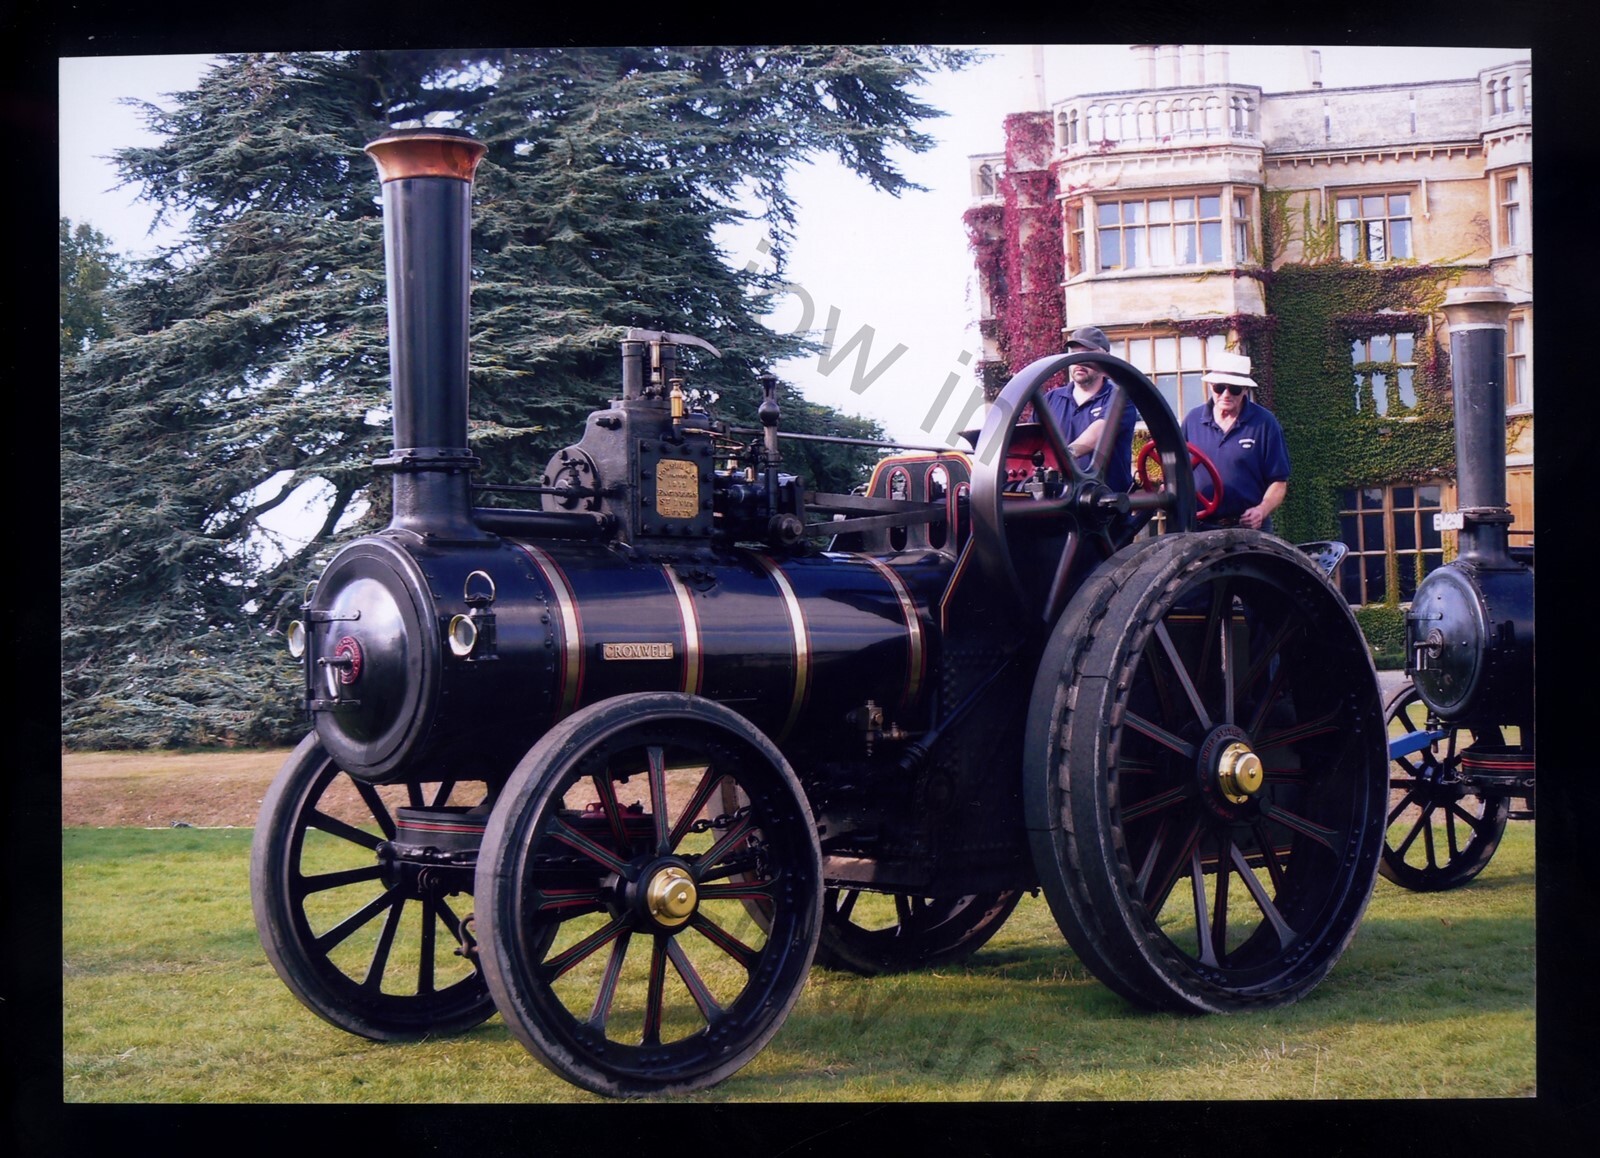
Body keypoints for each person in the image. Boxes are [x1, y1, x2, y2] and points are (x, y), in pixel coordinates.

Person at [1181, 350, 1290, 532]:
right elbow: (1176, 469)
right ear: (1211, 386)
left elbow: (1279, 482)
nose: (1226, 394)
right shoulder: (1192, 420)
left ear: (1245, 390)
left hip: (1249, 530)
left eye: (1234, 389)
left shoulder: (1264, 423)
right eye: (1219, 387)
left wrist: (1261, 511)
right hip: (1200, 529)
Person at [1041, 325, 1137, 493]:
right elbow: (1031, 441)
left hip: (1105, 506)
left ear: (1105, 359)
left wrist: (1064, 457)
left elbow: (1099, 431)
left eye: (1086, 355)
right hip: (1058, 505)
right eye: (1074, 355)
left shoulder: (1120, 399)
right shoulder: (1050, 399)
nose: (1079, 362)